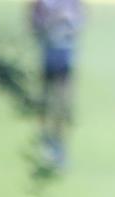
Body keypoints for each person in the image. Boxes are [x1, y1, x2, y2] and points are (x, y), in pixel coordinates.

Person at [30, 0, 84, 170]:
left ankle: (60, 146)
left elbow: (79, 24)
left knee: (63, 104)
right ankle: (44, 143)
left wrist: (68, 22)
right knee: (44, 103)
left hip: (65, 56)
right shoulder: (42, 3)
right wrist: (52, 20)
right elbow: (34, 26)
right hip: (47, 56)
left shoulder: (72, 3)